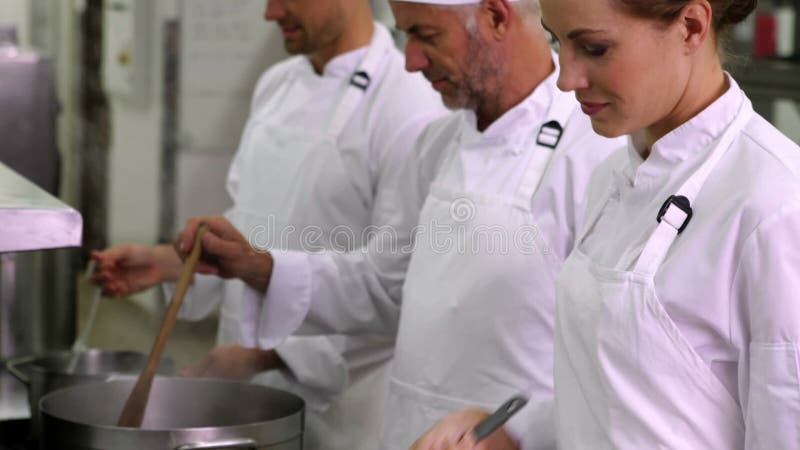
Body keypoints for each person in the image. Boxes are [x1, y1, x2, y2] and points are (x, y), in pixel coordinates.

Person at [175, 0, 622, 448]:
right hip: (410, 434)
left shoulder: (597, 156)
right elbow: (383, 286)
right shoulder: (437, 147)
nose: (411, 61)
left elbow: (616, 370)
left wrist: (523, 432)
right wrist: (258, 266)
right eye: (406, 35)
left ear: (496, 17)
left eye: (426, 35)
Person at [92, 0, 446, 449]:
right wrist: (170, 263)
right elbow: (255, 219)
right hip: (241, 402)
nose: (270, 13)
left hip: (339, 418)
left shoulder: (409, 105)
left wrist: (267, 356)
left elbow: (393, 288)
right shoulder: (277, 83)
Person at [538, 0, 799, 448]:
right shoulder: (610, 179)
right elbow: (621, 400)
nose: (566, 79)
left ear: (691, 27)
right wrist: (520, 428)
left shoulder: (775, 208)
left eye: (595, 48)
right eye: (557, 41)